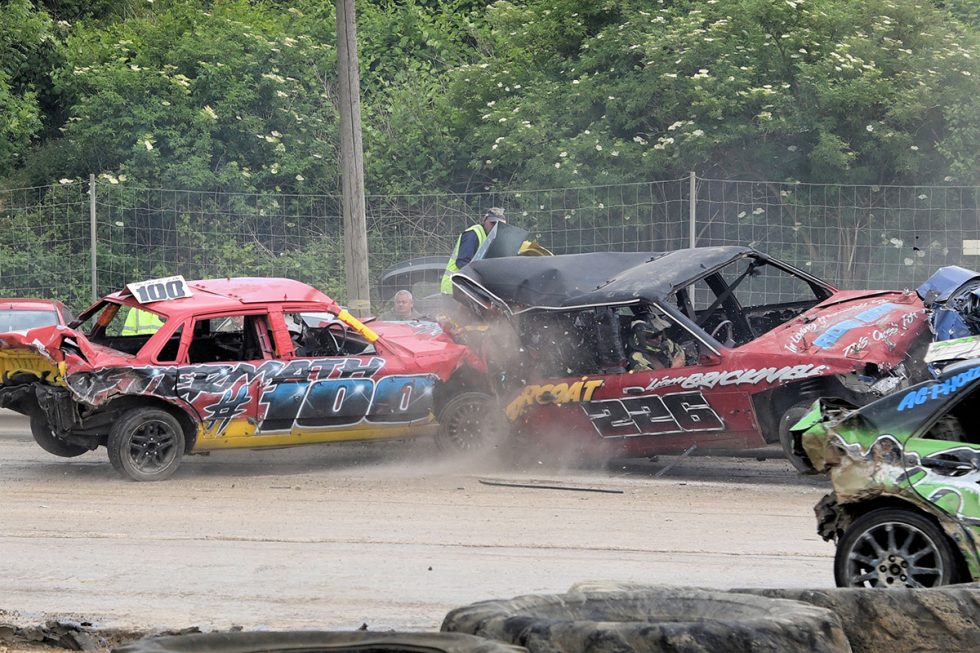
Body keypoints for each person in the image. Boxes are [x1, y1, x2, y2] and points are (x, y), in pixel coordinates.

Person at [440, 207, 506, 294]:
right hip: (454, 287)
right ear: (485, 220)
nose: (495, 227)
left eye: (499, 224)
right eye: (493, 223)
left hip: (467, 289)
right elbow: (462, 262)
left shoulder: (492, 237)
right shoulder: (472, 234)